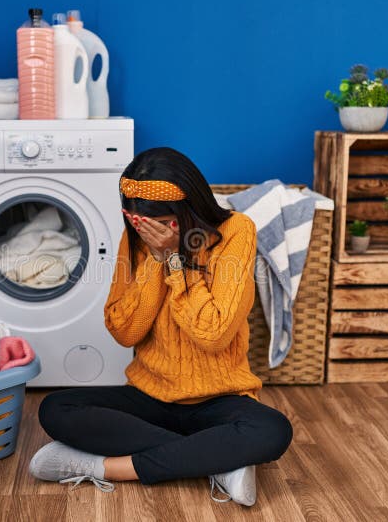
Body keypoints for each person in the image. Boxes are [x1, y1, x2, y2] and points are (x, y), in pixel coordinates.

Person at [28, 147, 293, 506]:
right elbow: (125, 332)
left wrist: (175, 261)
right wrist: (158, 258)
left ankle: (104, 467)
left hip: (218, 400)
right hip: (149, 397)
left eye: (159, 225)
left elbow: (213, 334)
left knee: (273, 430)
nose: (146, 231)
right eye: (137, 223)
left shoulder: (235, 232)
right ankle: (217, 461)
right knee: (55, 408)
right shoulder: (137, 238)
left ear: (188, 211)